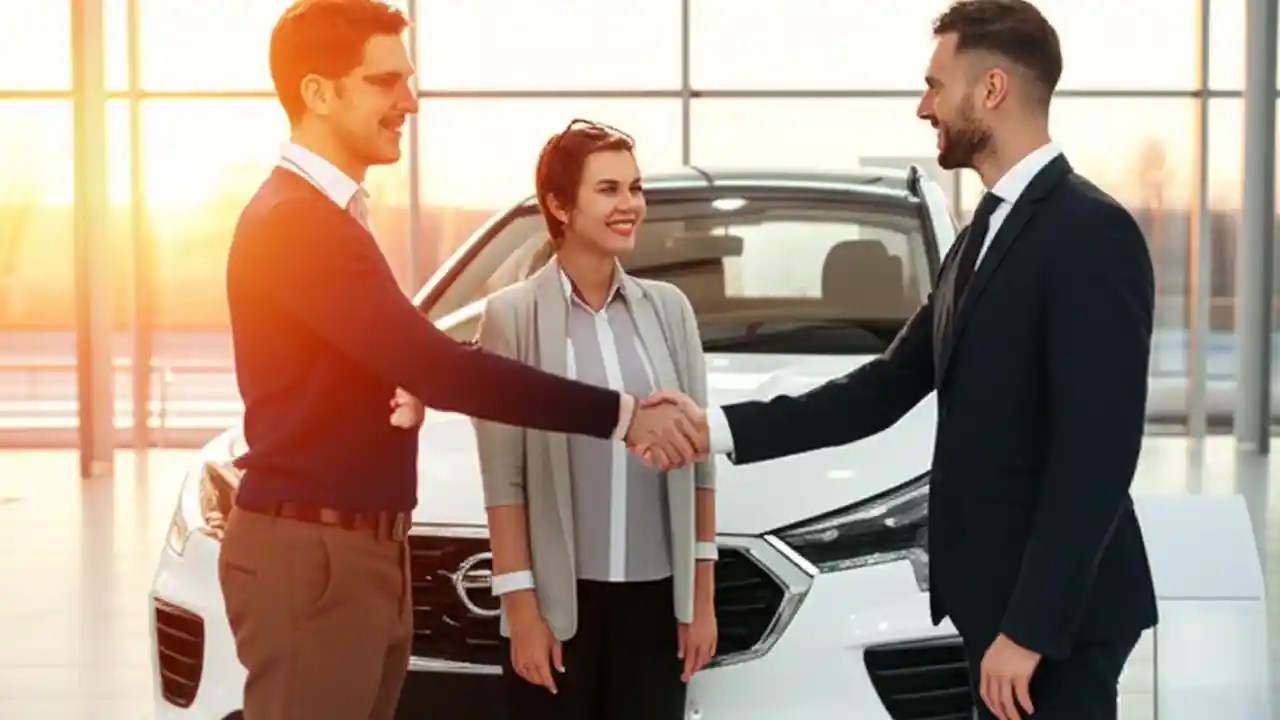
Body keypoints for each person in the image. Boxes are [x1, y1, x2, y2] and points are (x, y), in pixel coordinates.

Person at [643, 2, 1158, 719]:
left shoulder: (1090, 232)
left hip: (1053, 626)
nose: (924, 107)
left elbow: (1096, 456)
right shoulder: (983, 231)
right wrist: (712, 427)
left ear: (993, 89)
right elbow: (882, 388)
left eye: (935, 85)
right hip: (996, 606)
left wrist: (1029, 631)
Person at [218, 2, 701, 719]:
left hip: (355, 551)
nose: (408, 102)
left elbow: (390, 351)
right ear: (318, 92)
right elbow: (439, 365)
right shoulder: (298, 221)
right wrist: (623, 414)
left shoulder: (326, 215)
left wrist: (404, 375)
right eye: (384, 81)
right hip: (316, 555)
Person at [472, 119, 719, 720]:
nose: (629, 204)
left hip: (657, 604)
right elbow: (503, 481)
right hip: (559, 606)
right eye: (608, 189)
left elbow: (701, 465)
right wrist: (521, 613)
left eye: (635, 188)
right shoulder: (511, 316)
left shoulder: (671, 310)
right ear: (560, 205)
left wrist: (700, 602)